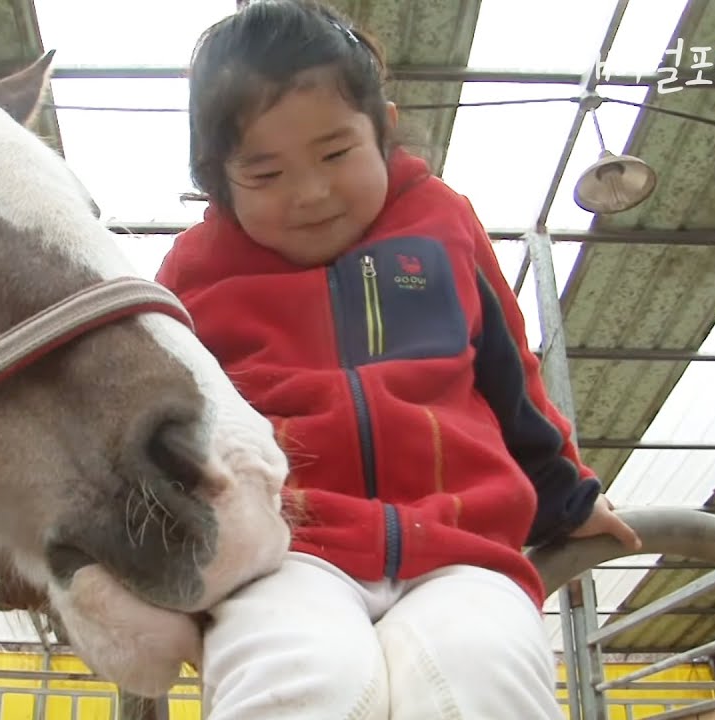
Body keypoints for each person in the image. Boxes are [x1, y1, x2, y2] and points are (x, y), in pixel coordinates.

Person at [153, 1, 643, 718]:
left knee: (478, 672)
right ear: (218, 182)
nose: (311, 193)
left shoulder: (440, 220)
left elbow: (508, 373)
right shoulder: (194, 272)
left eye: (335, 154)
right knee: (300, 679)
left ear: (382, 127)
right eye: (265, 173)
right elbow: (157, 416)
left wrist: (566, 496)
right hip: (284, 549)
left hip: (460, 541)